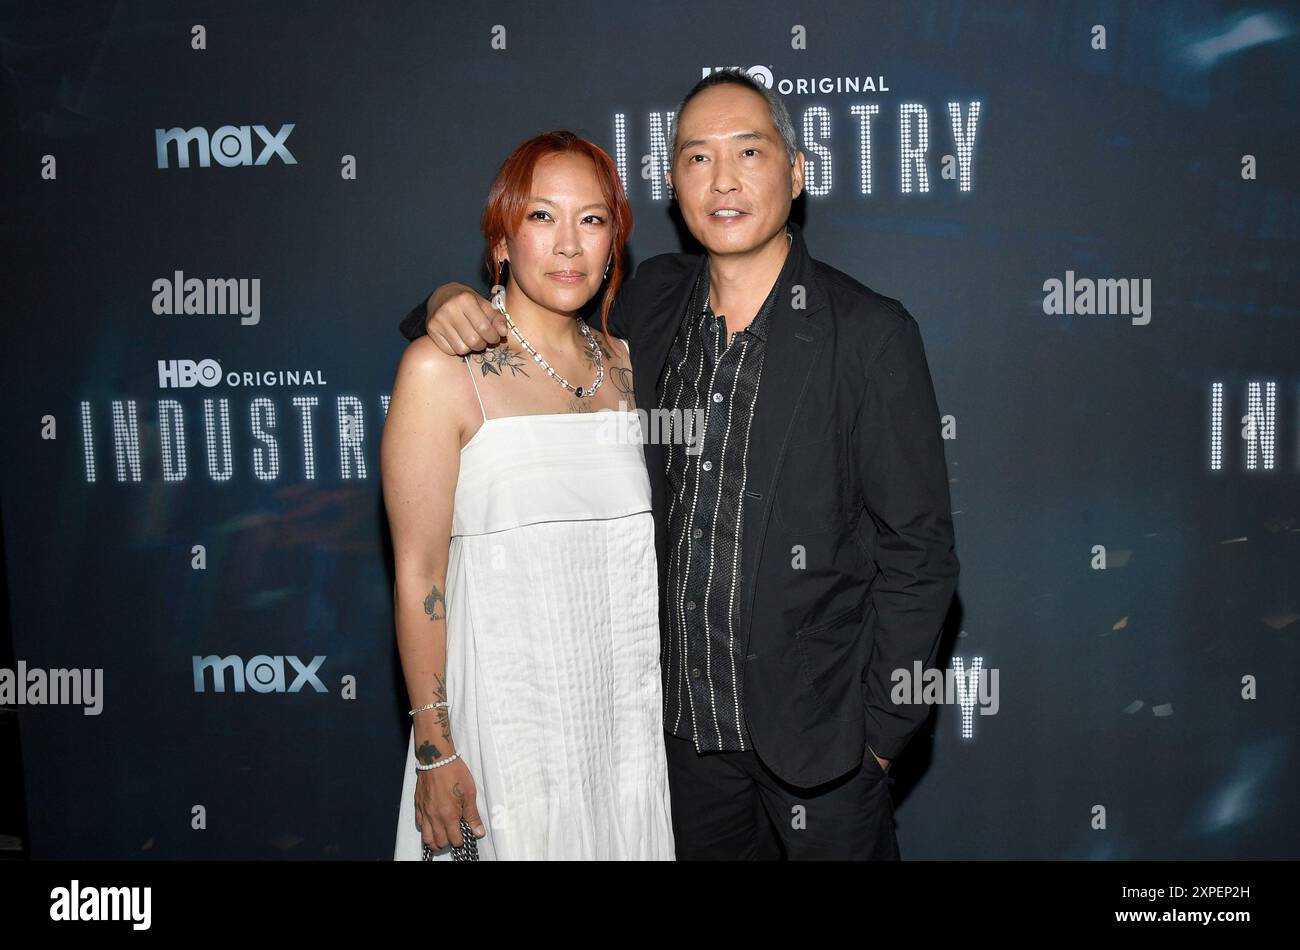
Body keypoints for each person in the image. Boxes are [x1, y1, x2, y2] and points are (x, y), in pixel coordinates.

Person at [401, 70, 959, 860]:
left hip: (823, 752)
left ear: (795, 174)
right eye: (697, 158)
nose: (722, 179)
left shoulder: (870, 334)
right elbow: (526, 315)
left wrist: (877, 739)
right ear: (673, 183)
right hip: (678, 753)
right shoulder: (649, 305)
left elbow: (921, 553)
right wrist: (440, 299)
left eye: (748, 153)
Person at [383, 130, 674, 860]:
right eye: (543, 217)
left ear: (615, 243)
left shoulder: (634, 370)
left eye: (593, 219)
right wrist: (434, 748)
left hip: (623, 741)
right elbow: (419, 573)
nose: (569, 245)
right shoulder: (439, 371)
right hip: (503, 737)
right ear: (503, 239)